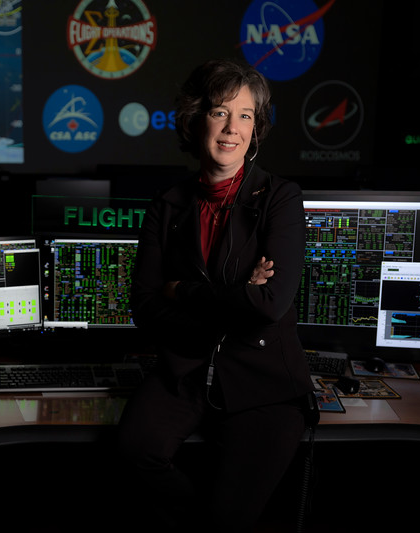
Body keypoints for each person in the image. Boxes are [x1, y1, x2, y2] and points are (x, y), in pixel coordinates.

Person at [116, 58, 316, 532]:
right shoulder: (167, 205)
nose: (232, 128)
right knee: (130, 454)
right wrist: (231, 301)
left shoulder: (280, 198)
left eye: (245, 115)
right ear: (196, 119)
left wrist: (182, 289)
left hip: (262, 380)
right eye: (220, 112)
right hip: (184, 370)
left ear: (256, 127)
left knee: (229, 517)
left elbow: (269, 305)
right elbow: (144, 304)